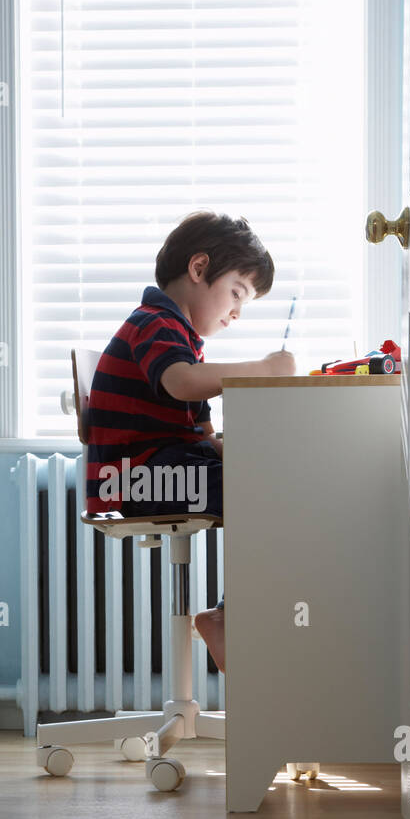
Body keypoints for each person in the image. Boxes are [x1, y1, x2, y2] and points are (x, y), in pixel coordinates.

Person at [85, 211, 296, 672]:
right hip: (140, 481)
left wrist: (256, 455)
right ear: (199, 269)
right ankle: (227, 617)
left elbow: (201, 433)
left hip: (166, 469)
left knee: (272, 482)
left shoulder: (184, 341)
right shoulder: (154, 323)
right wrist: (262, 370)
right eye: (237, 293)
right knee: (263, 492)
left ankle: (230, 614)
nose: (237, 313)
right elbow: (182, 384)